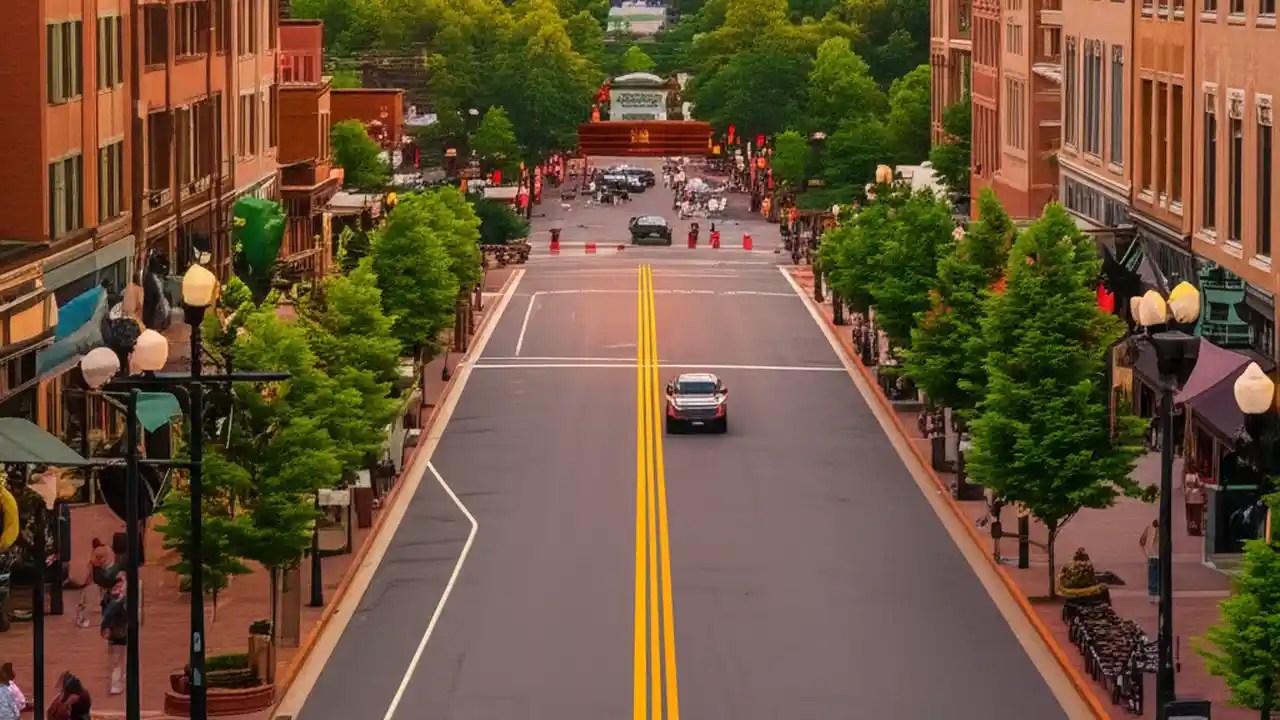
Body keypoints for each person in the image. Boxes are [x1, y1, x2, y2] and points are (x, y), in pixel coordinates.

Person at [1139, 519, 1160, 604]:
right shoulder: (1149, 528)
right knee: (1152, 577)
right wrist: (1146, 555)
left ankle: (1157, 595)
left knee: (1158, 577)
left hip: (1159, 557)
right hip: (1152, 557)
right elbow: (1141, 542)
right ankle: (1152, 595)